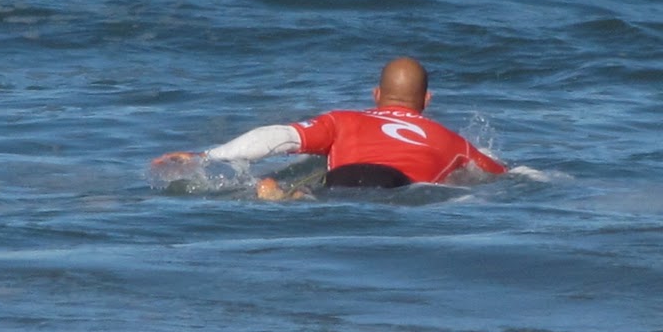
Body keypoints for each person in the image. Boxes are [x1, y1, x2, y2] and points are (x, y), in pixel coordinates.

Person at [154, 57, 505, 196]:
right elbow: (503, 177)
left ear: (377, 94)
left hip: (344, 176)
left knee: (318, 193)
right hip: (400, 188)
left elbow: (279, 138)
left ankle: (285, 197)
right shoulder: (454, 143)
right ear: (427, 101)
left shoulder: (343, 120)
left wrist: (206, 155)